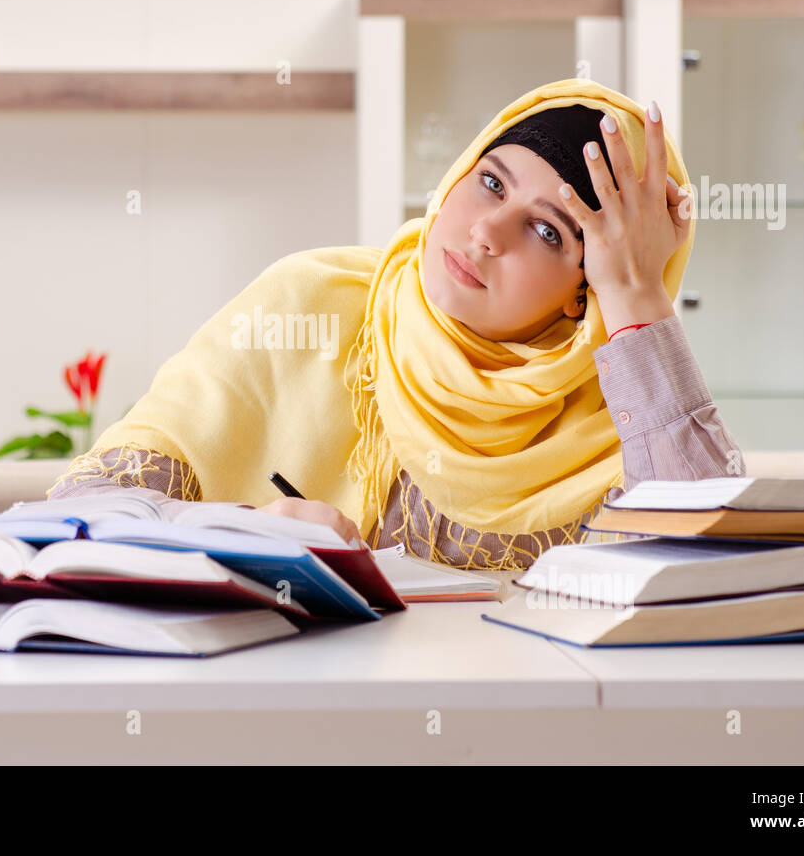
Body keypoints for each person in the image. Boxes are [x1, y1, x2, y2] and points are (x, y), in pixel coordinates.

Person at [45, 77, 744, 571]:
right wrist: (234, 531)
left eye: (548, 230)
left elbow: (713, 573)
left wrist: (636, 298)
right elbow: (82, 515)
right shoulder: (313, 303)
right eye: (491, 182)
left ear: (583, 291)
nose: (486, 233)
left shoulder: (619, 404)